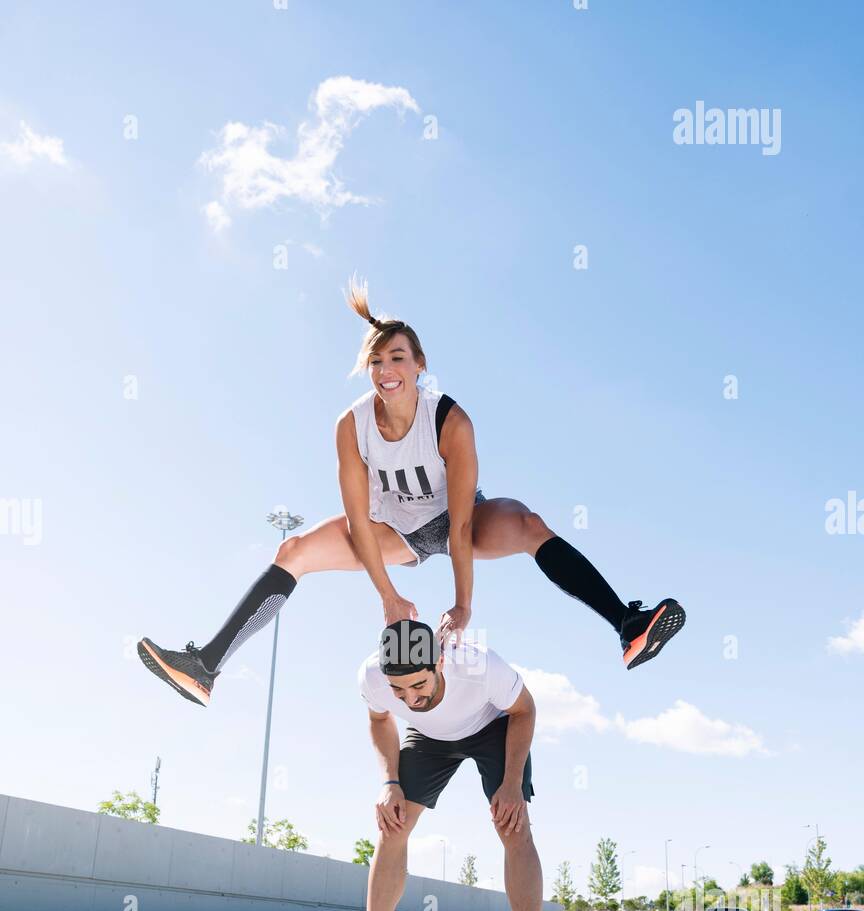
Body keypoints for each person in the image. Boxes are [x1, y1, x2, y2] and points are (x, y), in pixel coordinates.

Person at [136, 276, 685, 707]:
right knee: (294, 551)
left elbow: (464, 527)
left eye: (398, 358)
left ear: (419, 365)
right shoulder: (350, 426)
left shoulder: (450, 420)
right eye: (377, 361)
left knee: (526, 523)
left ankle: (626, 625)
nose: (386, 369)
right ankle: (206, 666)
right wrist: (389, 596)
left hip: (457, 518)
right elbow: (356, 519)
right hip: (394, 531)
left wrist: (463, 605)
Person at [327, 620, 550, 911]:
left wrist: (512, 783)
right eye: (399, 690)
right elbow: (379, 719)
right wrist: (389, 782)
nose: (410, 699)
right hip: (429, 738)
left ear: (441, 662)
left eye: (419, 685)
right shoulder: (372, 675)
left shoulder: (479, 665)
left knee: (513, 825)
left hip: (493, 726)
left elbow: (525, 709)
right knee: (392, 825)